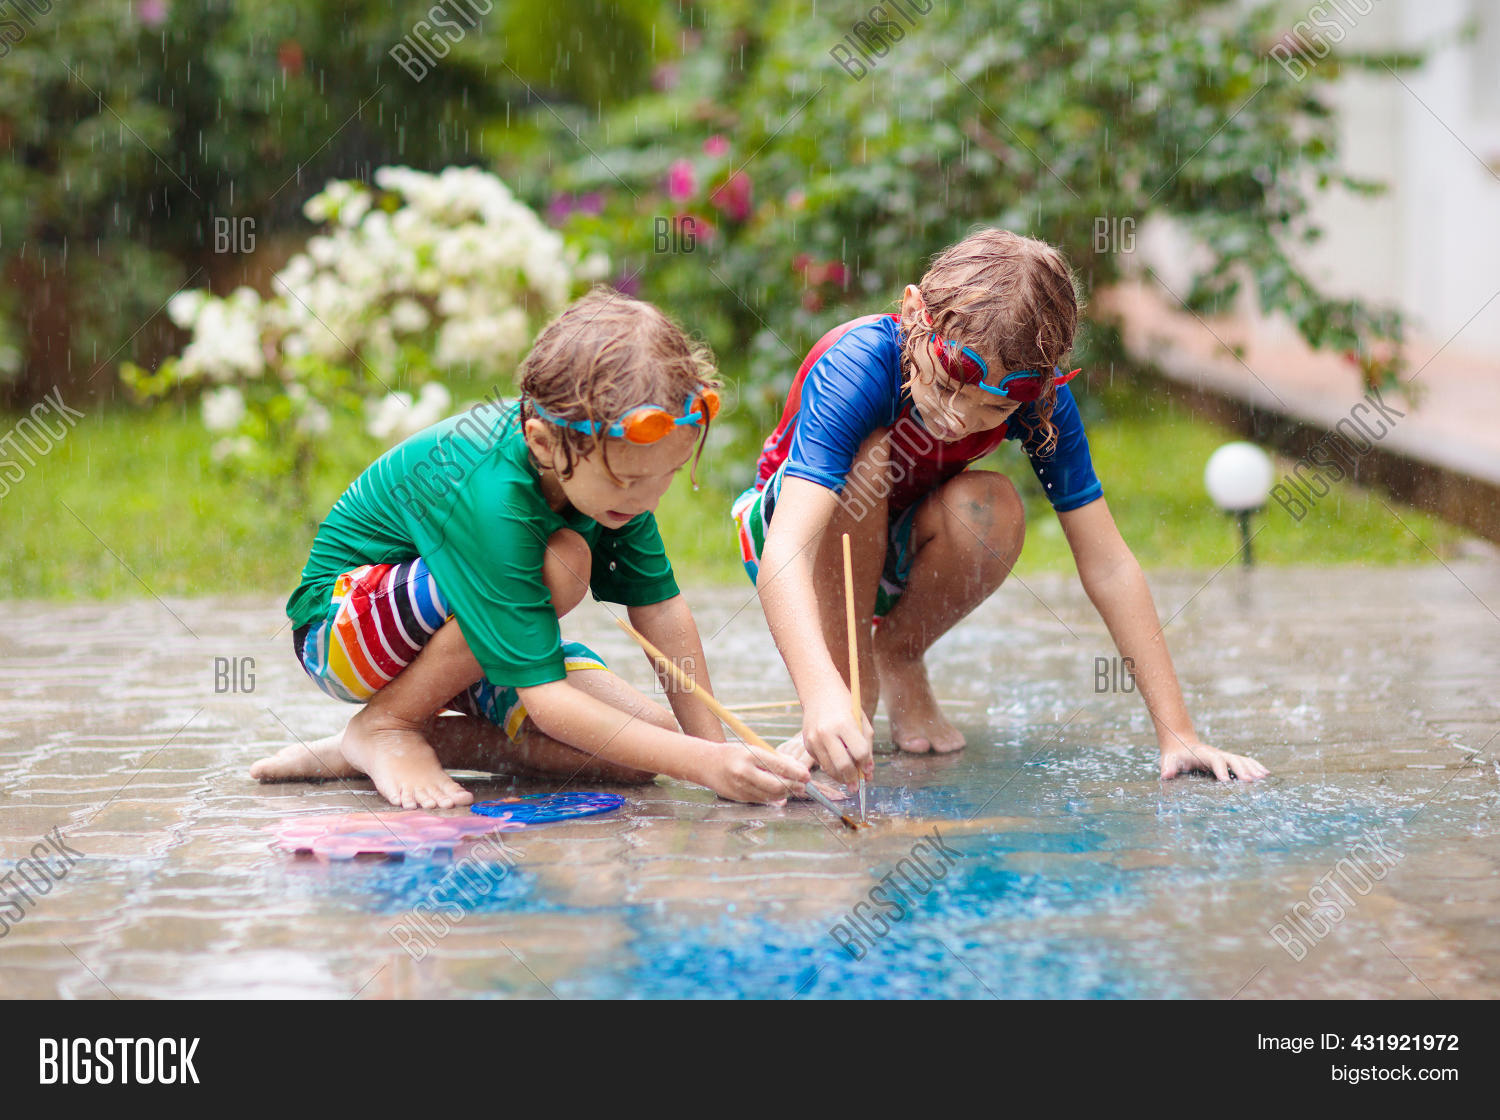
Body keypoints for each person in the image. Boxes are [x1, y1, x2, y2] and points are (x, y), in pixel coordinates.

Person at [734, 229, 1269, 788]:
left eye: (992, 409)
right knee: (868, 460)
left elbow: (1109, 563)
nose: (959, 417)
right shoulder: (860, 362)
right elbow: (787, 551)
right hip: (790, 531)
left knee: (993, 507)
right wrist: (823, 696)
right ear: (915, 312)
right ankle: (852, 692)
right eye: (948, 385)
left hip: (900, 537)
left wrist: (1179, 733)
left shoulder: (1039, 402)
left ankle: (900, 653)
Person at [253, 289, 810, 808]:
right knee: (564, 562)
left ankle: (420, 740)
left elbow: (660, 609)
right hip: (342, 631)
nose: (645, 500)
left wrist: (715, 754)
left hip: (454, 642)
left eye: (666, 476)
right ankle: (388, 725)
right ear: (543, 443)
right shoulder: (492, 491)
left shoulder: (615, 476)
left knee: (644, 751)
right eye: (627, 482)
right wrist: (706, 766)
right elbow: (548, 701)